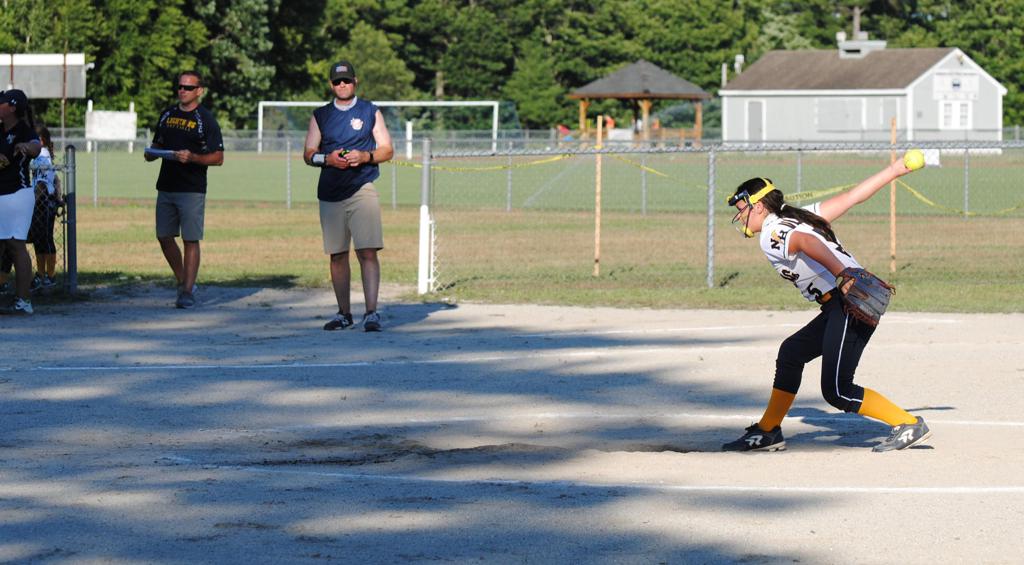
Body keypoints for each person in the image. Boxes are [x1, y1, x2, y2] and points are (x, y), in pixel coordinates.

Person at [722, 154, 931, 453]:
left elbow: (806, 244)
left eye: (742, 210)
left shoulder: (771, 232)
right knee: (792, 352)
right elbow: (852, 197)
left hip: (847, 300)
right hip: (843, 301)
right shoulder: (800, 216)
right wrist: (896, 169)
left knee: (837, 390)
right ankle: (768, 431)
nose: (740, 217)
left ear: (758, 206)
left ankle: (908, 424)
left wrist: (840, 273)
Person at [304, 60, 393, 332]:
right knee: (337, 255)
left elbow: (387, 149)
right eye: (337, 81)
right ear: (331, 85)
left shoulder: (370, 111)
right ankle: (344, 313)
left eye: (346, 80)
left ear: (355, 82)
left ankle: (371, 313)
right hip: (330, 192)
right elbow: (308, 154)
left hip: (361, 186)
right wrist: (327, 159)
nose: (342, 85)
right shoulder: (321, 115)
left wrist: (366, 156)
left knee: (366, 251)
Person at [144, 70, 224, 309]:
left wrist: (193, 158)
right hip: (166, 185)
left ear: (199, 91)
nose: (182, 91)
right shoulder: (167, 114)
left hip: (191, 189)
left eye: (188, 87)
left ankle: (187, 291)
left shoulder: (205, 119)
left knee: (190, 239)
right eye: (180, 86)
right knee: (164, 236)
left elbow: (218, 157)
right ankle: (183, 280)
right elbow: (158, 144)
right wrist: (152, 153)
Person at [0, 89, 42, 316]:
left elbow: (36, 147)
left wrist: (26, 147)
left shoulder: (23, 130)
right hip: (0, 195)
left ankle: (23, 300)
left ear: (13, 107)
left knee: (16, 246)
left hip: (17, 194)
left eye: (2, 102)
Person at [28, 125, 63, 291]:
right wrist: (58, 197)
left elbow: (42, 183)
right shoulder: (46, 155)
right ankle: (43, 274)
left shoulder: (41, 154)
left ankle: (49, 275)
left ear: (40, 140)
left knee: (45, 239)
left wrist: (33, 200)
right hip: (45, 200)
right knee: (41, 239)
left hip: (42, 201)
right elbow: (56, 179)